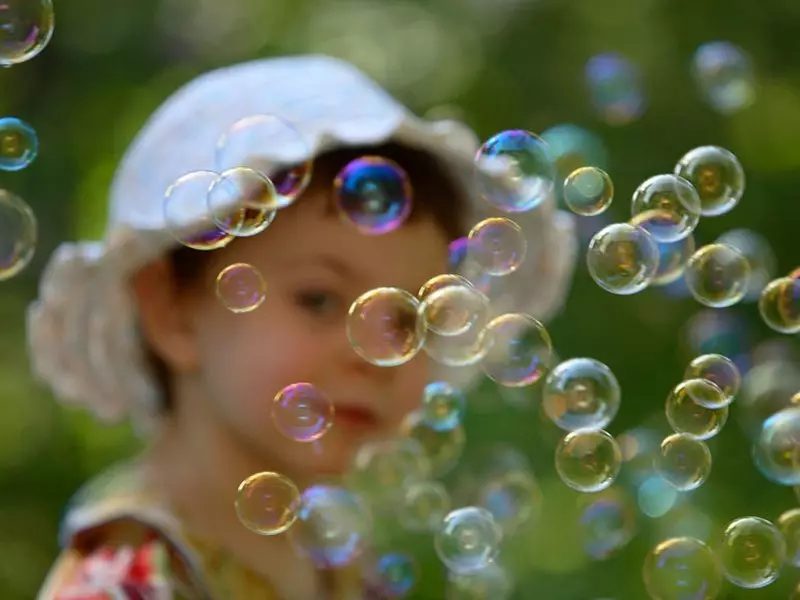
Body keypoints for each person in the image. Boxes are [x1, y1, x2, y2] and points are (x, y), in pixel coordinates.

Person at [28, 55, 578, 599]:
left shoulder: (347, 571)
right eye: (318, 299)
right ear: (170, 311)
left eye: (409, 319)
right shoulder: (124, 584)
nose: (377, 354)